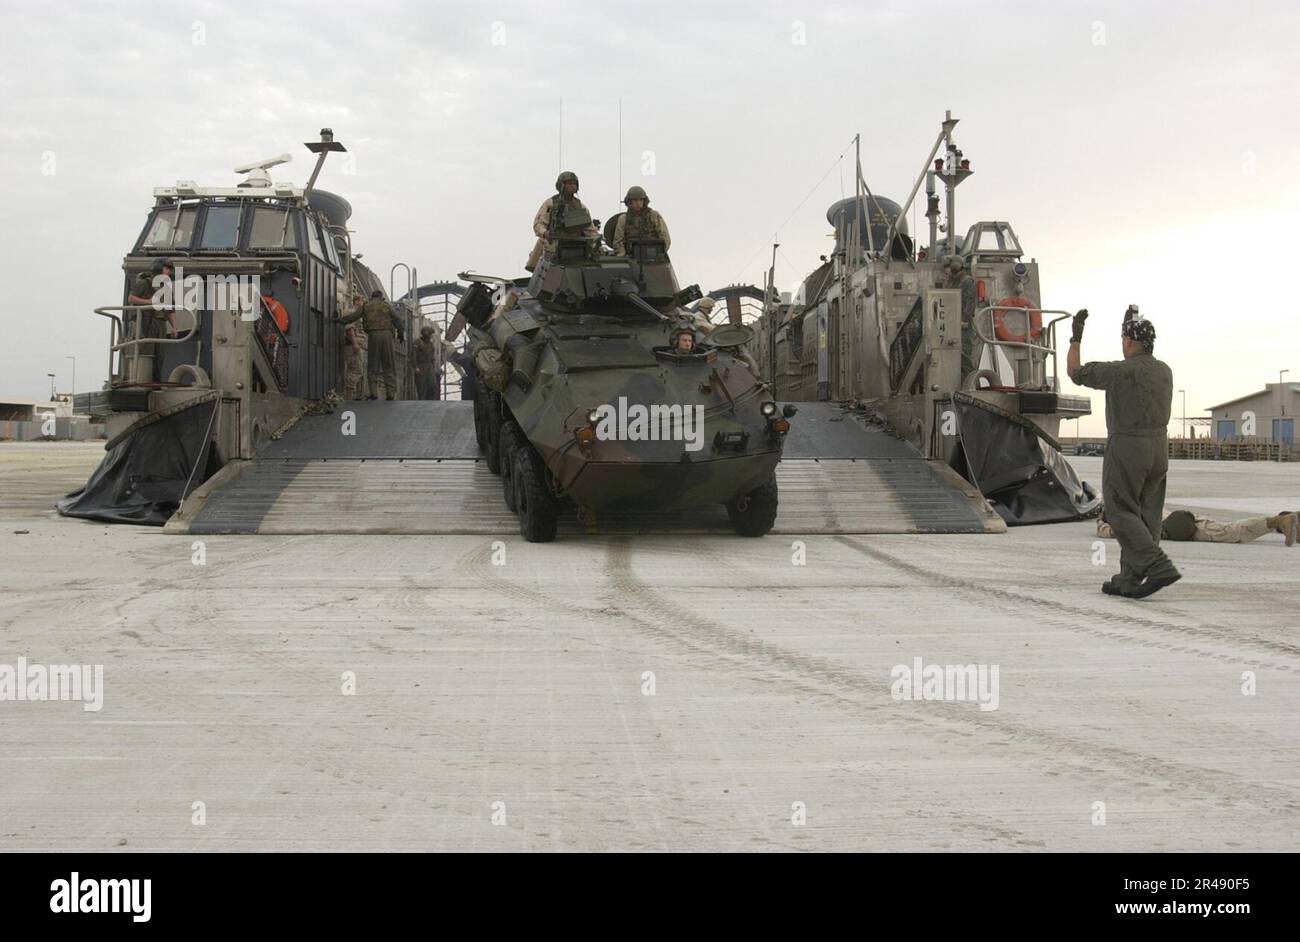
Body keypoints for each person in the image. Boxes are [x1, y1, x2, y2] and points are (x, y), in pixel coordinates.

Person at [1068, 307, 1179, 598]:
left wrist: (1075, 336)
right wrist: (1129, 324)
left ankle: (1158, 566)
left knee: (1119, 511)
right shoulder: (1164, 371)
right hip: (1158, 448)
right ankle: (1129, 580)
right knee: (1148, 514)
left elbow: (1075, 373)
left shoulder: (1119, 372)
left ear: (1128, 342)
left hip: (1128, 447)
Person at [1097, 508, 1298, 546]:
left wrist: (1101, 522)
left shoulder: (1125, 524)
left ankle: (1279, 521)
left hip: (1180, 527)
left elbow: (1106, 532)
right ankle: (1282, 522)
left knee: (1231, 533)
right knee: (1229, 531)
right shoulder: (1141, 508)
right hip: (1183, 520)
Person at [338, 290, 404, 400]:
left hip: (373, 335)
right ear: (381, 297)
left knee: (373, 364)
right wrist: (401, 333)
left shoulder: (366, 306)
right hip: (387, 335)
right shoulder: (386, 305)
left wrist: (340, 320)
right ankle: (390, 393)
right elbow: (397, 319)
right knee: (389, 365)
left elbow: (353, 316)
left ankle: (373, 392)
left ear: (372, 297)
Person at [526, 171, 594, 271]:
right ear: (561, 185)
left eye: (574, 184)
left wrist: (595, 243)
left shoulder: (581, 207)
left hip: (575, 247)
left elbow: (590, 230)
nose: (573, 186)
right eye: (569, 183)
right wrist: (545, 233)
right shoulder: (551, 203)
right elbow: (538, 224)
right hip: (553, 246)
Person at [126, 258, 176, 382]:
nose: (168, 272)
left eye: (169, 269)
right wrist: (148, 302)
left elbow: (170, 309)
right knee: (145, 352)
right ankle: (141, 379)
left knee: (160, 356)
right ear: (158, 268)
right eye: (166, 268)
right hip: (145, 323)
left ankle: (156, 381)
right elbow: (131, 298)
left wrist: (174, 327)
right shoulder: (144, 283)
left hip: (160, 324)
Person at [613, 185, 671, 256]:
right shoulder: (623, 219)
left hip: (653, 255)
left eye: (641, 200)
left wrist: (661, 252)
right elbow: (618, 241)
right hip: (632, 256)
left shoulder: (653, 215)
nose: (638, 203)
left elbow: (665, 237)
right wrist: (622, 254)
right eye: (635, 200)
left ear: (644, 201)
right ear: (629, 202)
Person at [414, 324, 438, 400]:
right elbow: (413, 355)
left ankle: (429, 400)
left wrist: (433, 367)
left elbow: (432, 356)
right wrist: (415, 366)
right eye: (430, 334)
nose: (430, 336)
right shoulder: (418, 342)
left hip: (429, 366)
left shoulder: (430, 344)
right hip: (421, 365)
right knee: (421, 386)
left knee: (432, 384)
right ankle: (421, 401)